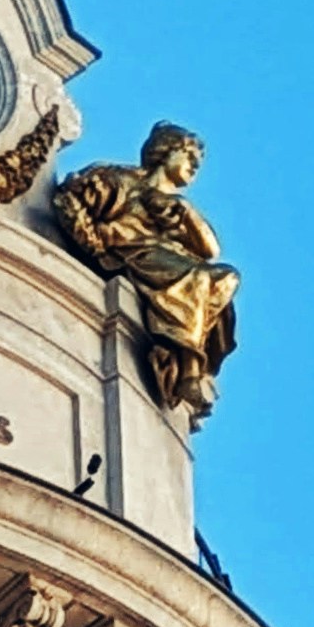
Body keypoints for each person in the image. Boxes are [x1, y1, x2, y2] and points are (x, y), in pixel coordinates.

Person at [53, 122, 239, 416]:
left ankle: (178, 343)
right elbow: (72, 199)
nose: (194, 165)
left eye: (197, 162)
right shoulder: (120, 180)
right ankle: (188, 369)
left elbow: (211, 250)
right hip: (130, 250)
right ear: (166, 151)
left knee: (228, 278)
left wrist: (185, 211)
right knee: (198, 278)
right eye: (189, 156)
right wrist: (97, 241)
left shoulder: (179, 206)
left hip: (166, 258)